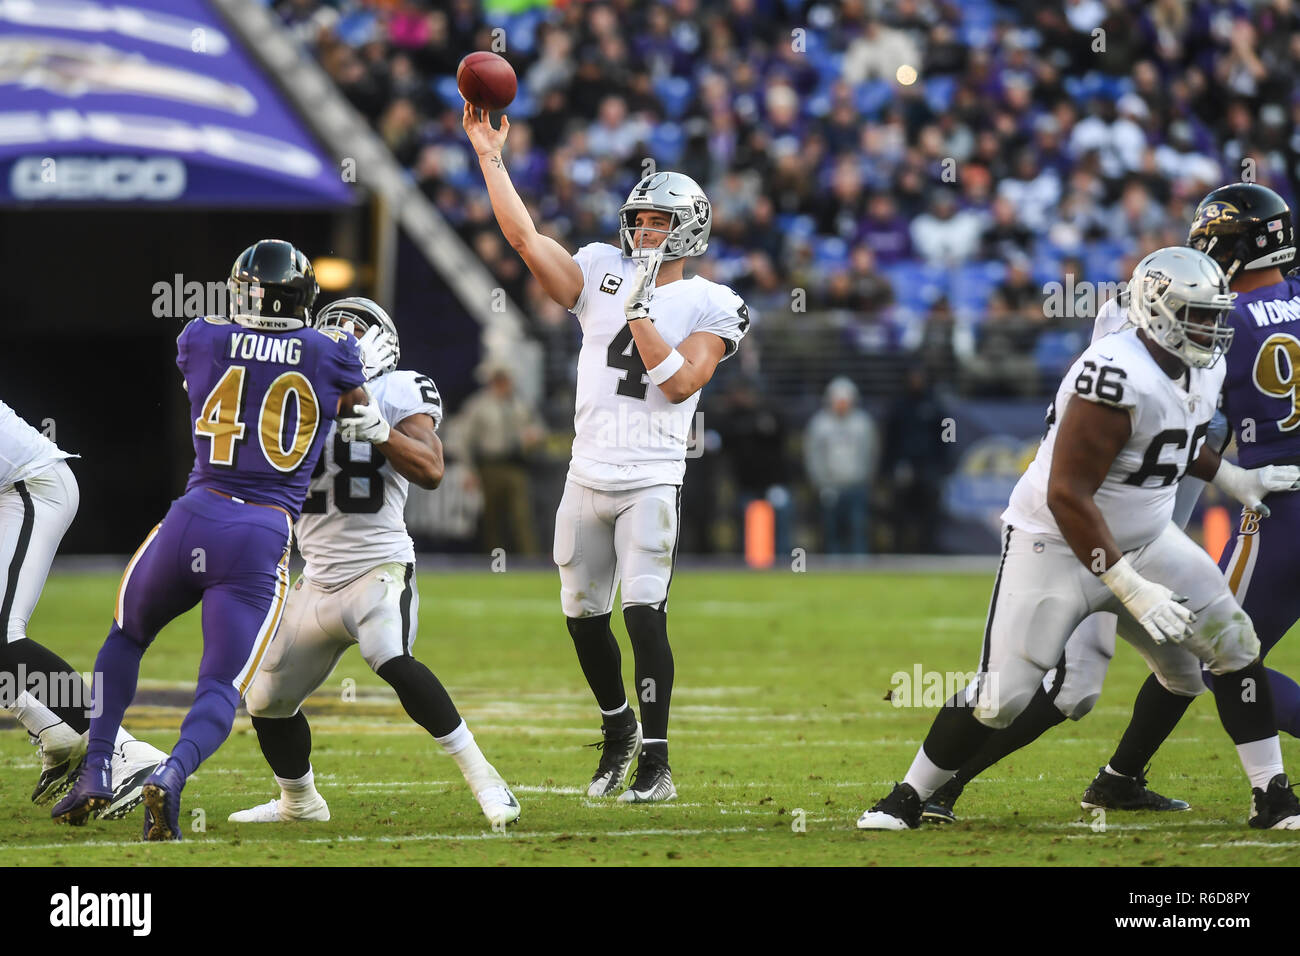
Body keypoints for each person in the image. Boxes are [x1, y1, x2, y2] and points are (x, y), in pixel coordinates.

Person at [857, 247, 1300, 831]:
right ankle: (907, 797)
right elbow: (1068, 494)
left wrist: (1232, 476)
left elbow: (1178, 437)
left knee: (1230, 644)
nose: (1214, 329)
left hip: (1145, 538)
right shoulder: (1111, 374)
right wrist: (1131, 589)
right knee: (1003, 695)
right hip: (1056, 544)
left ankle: (1271, 796)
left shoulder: (1204, 363)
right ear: (1156, 312)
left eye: (1216, 314)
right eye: (1198, 315)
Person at [464, 103, 749, 802]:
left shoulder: (716, 300)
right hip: (585, 470)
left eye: (658, 222)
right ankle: (617, 727)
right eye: (640, 220)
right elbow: (527, 239)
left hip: (652, 474)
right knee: (581, 612)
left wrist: (643, 310)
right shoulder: (598, 267)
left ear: (690, 228)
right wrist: (489, 155)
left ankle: (657, 761)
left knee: (643, 611)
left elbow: (681, 383)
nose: (645, 230)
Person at [53, 240, 369, 840]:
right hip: (260, 532)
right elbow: (352, 398)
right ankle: (170, 776)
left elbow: (221, 355)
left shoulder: (201, 336)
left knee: (125, 637)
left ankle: (95, 769)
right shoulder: (331, 353)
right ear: (302, 298)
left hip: (191, 515)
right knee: (219, 684)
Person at [229, 298, 519, 828]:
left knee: (389, 653)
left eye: (353, 327)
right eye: (331, 326)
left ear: (382, 339)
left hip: (378, 566)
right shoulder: (292, 396)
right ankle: (300, 804)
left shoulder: (398, 388)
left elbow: (431, 469)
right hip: (316, 577)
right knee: (266, 697)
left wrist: (380, 430)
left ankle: (486, 780)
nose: (341, 334)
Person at [0, 401, 165, 817]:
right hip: (15, 489)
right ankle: (52, 728)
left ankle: (125, 751)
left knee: (3, 636)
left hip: (29, 488)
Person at [458, 359, 544, 556]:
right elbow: (464, 440)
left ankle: (531, 565)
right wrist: (468, 470)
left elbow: (538, 428)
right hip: (489, 467)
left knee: (522, 517)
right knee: (491, 520)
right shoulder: (479, 405)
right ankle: (496, 564)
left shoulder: (520, 404)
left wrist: (534, 437)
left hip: (516, 467)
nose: (503, 383)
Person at [804, 377, 877, 554]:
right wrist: (820, 483)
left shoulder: (863, 424)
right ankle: (832, 567)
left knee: (857, 528)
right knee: (831, 530)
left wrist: (865, 479)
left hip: (856, 486)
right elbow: (813, 456)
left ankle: (860, 568)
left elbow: (871, 453)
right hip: (829, 486)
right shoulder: (820, 424)